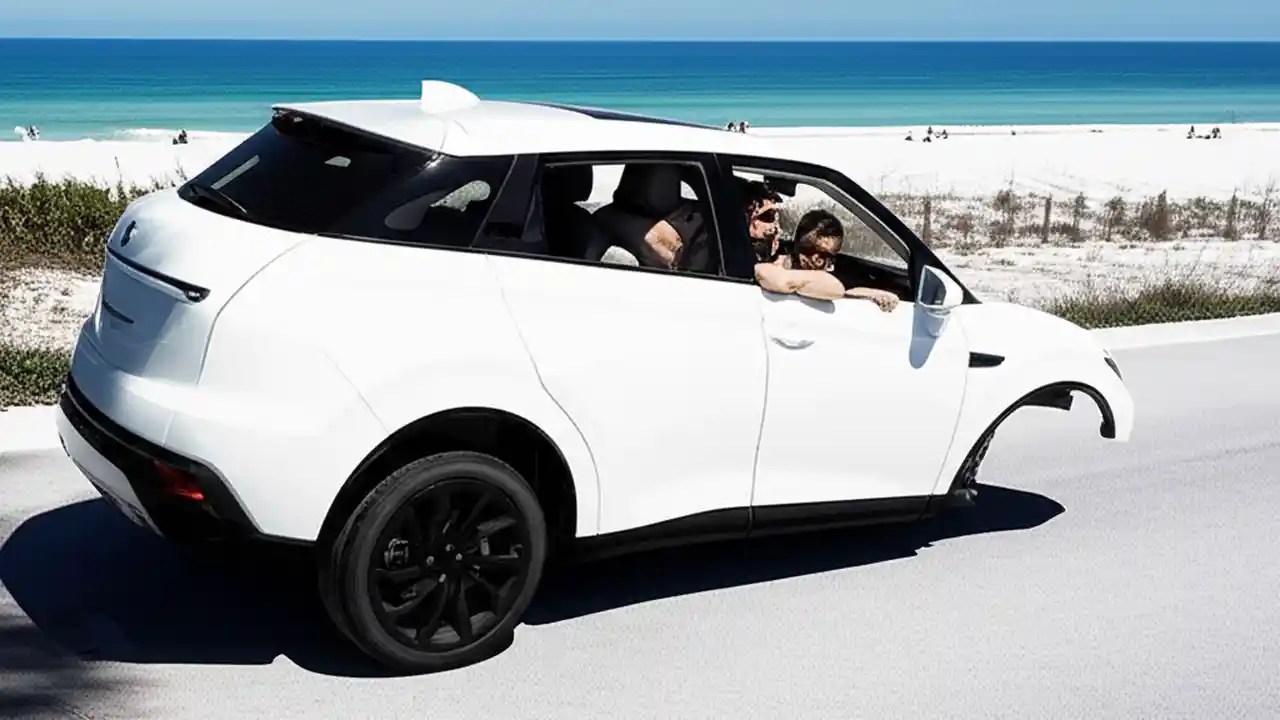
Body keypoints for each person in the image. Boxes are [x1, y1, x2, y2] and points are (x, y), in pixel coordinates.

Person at [740, 180, 898, 311]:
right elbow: (834, 288)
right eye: (768, 217)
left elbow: (843, 290)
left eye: (776, 217)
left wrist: (873, 295)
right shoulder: (761, 265)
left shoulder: (779, 259)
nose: (775, 227)